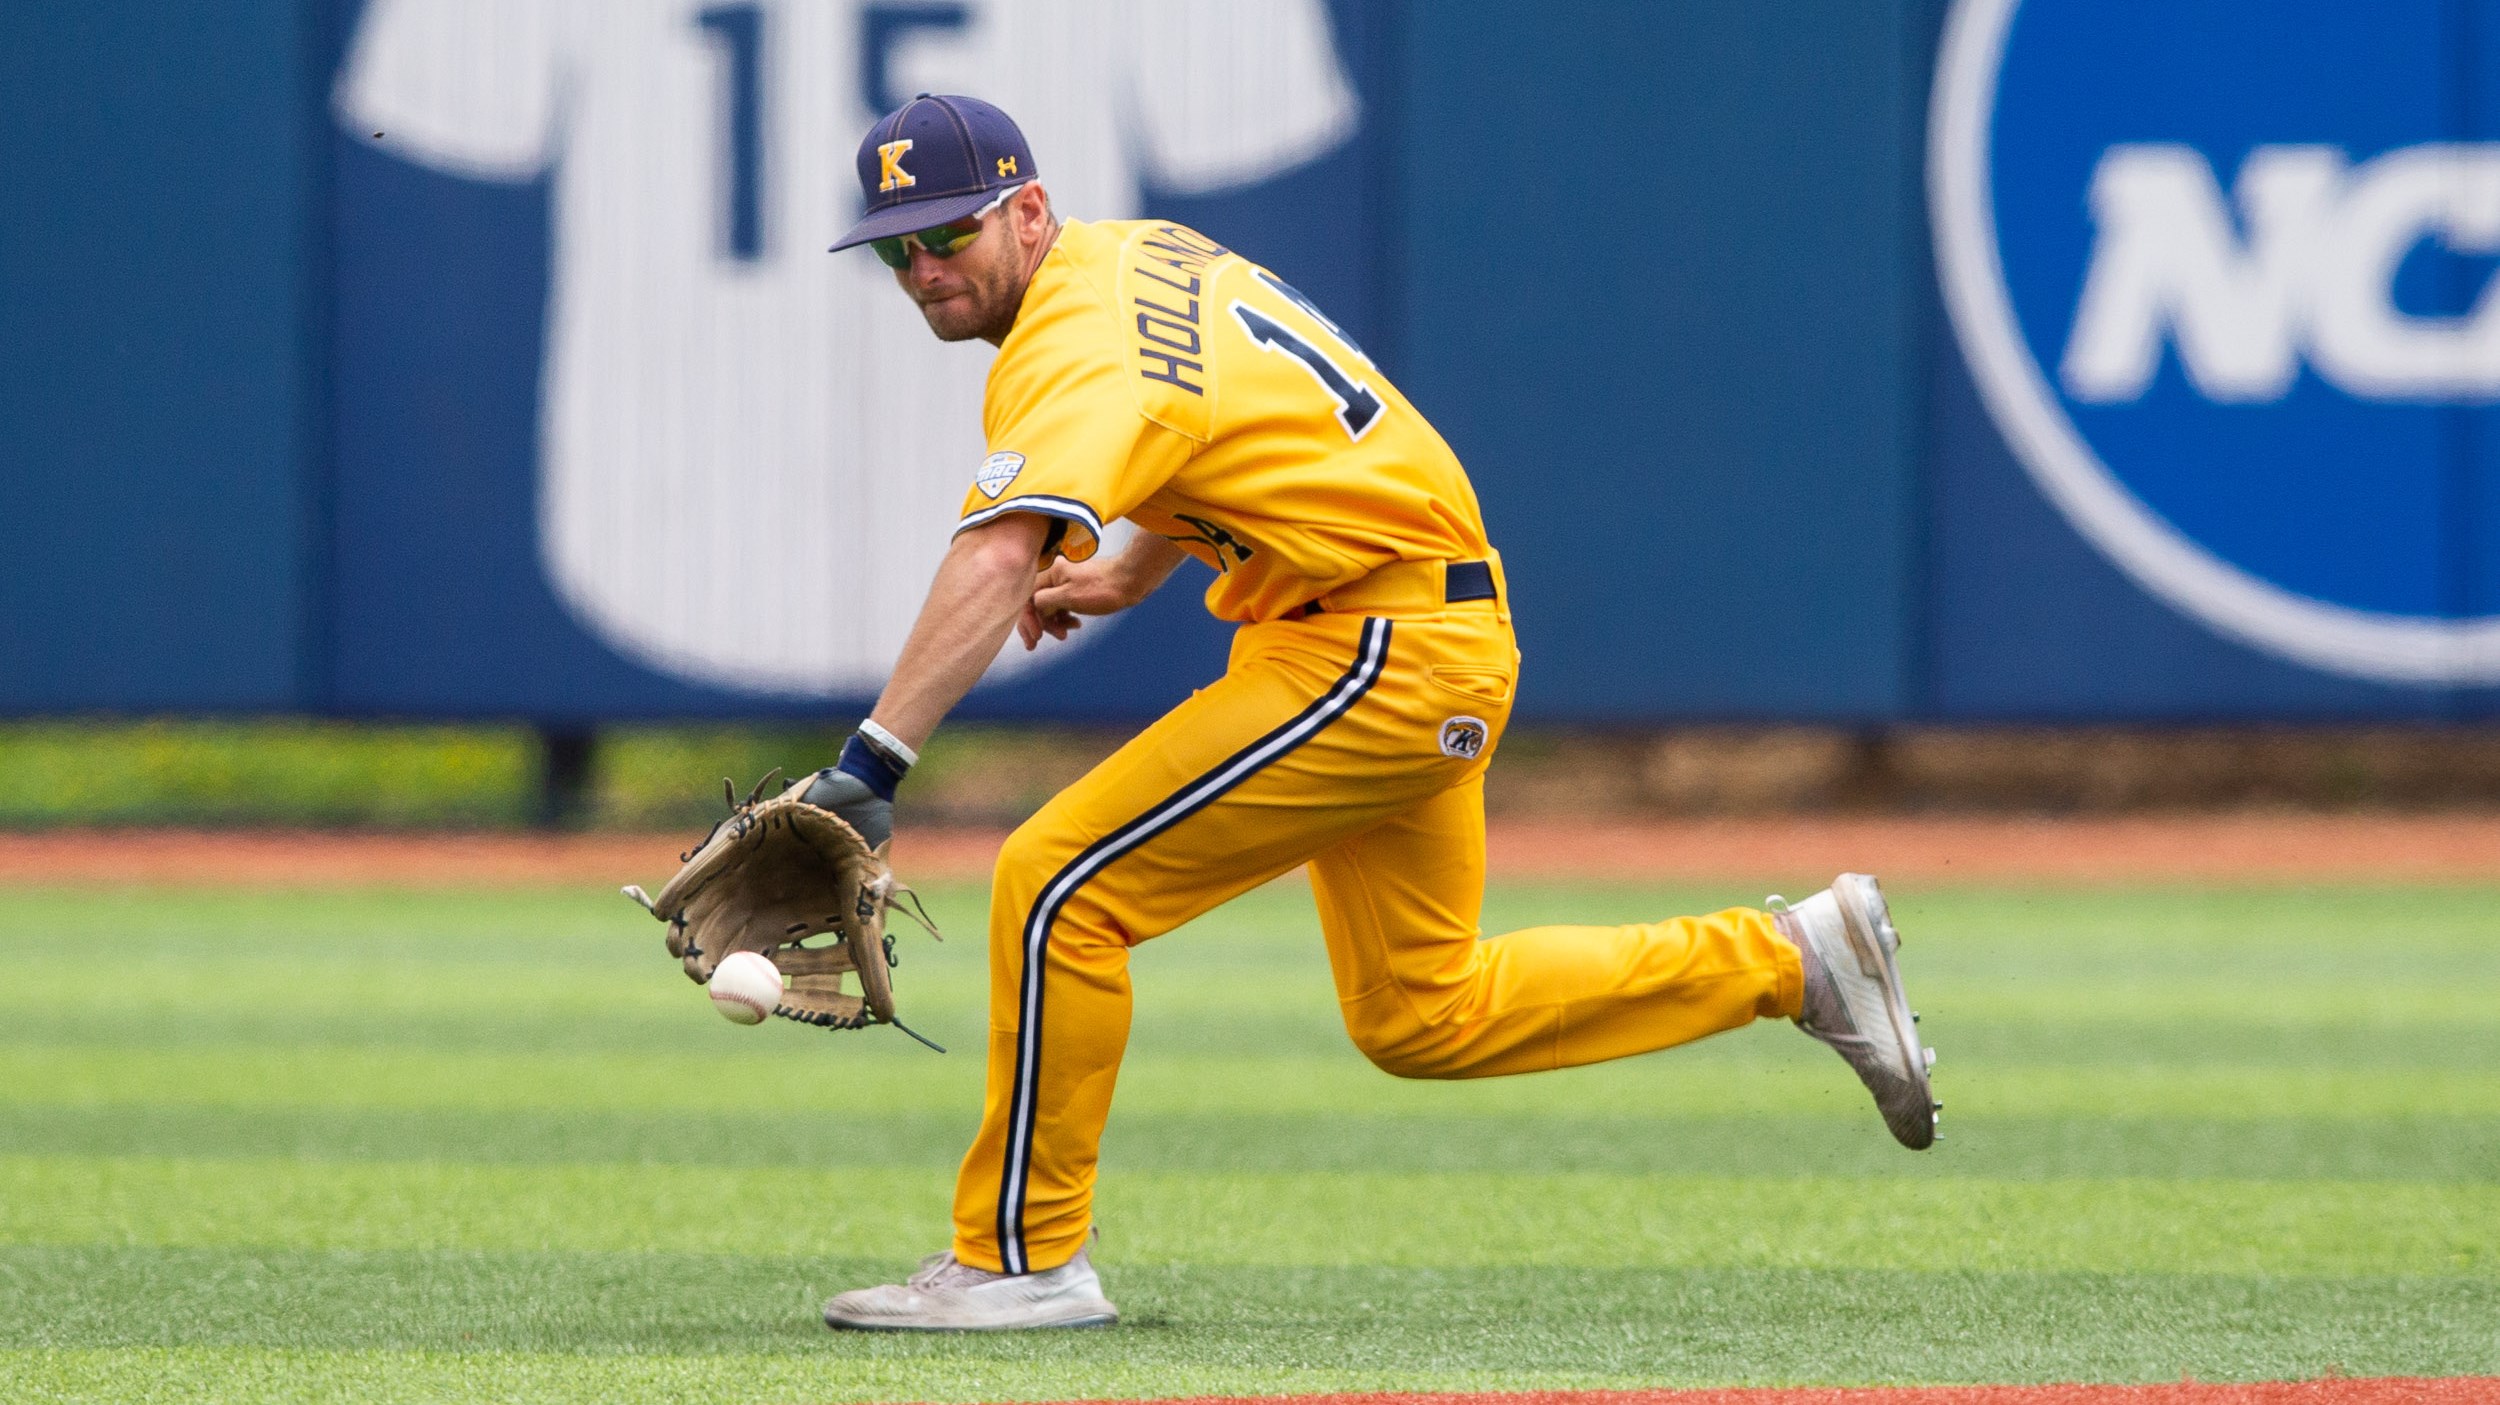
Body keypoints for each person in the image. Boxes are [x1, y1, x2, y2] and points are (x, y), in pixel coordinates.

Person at [799, 95, 1938, 1333]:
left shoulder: (1068, 339)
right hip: (1412, 625)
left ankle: (1021, 1259)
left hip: (1375, 645)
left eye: (948, 235)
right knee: (1420, 1010)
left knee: (1057, 884)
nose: (923, 269)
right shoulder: (1140, 255)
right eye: (896, 249)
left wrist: (870, 764)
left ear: (1025, 211)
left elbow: (997, 553)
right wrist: (1134, 566)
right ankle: (1794, 959)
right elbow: (1223, 422)